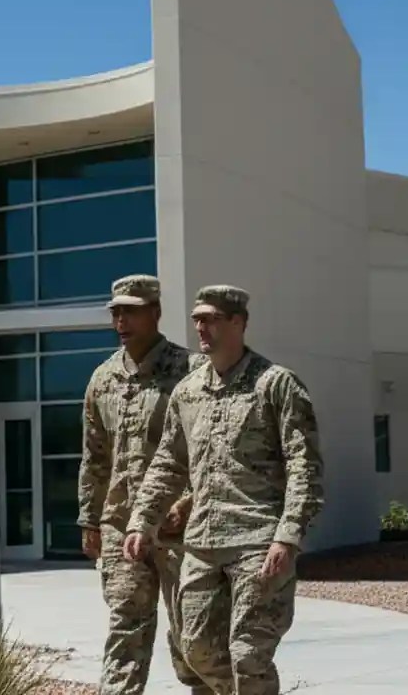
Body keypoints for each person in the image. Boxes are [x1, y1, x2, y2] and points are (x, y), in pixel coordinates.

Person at [122, 285, 325, 695]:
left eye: (212, 318)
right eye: (198, 318)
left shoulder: (275, 385)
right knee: (194, 649)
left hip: (258, 541)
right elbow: (168, 463)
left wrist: (288, 535)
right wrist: (142, 520)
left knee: (249, 653)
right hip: (203, 544)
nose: (202, 326)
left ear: (238, 323)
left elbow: (305, 465)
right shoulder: (188, 392)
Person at [77, 274, 208, 695]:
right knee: (125, 626)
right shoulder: (102, 379)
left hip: (178, 529)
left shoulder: (193, 374)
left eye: (131, 310)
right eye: (116, 311)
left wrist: (186, 504)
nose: (121, 320)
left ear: (155, 312)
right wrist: (90, 519)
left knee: (193, 634)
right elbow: (95, 456)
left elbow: (212, 454)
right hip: (121, 525)